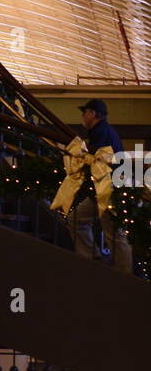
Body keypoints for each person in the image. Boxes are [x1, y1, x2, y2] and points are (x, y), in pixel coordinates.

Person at [68, 99, 132, 273]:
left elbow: (96, 159)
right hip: (105, 188)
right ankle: (92, 259)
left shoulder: (102, 131)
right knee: (77, 220)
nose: (82, 116)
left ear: (93, 114)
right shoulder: (103, 131)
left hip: (108, 188)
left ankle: (124, 276)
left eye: (85, 112)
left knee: (114, 234)